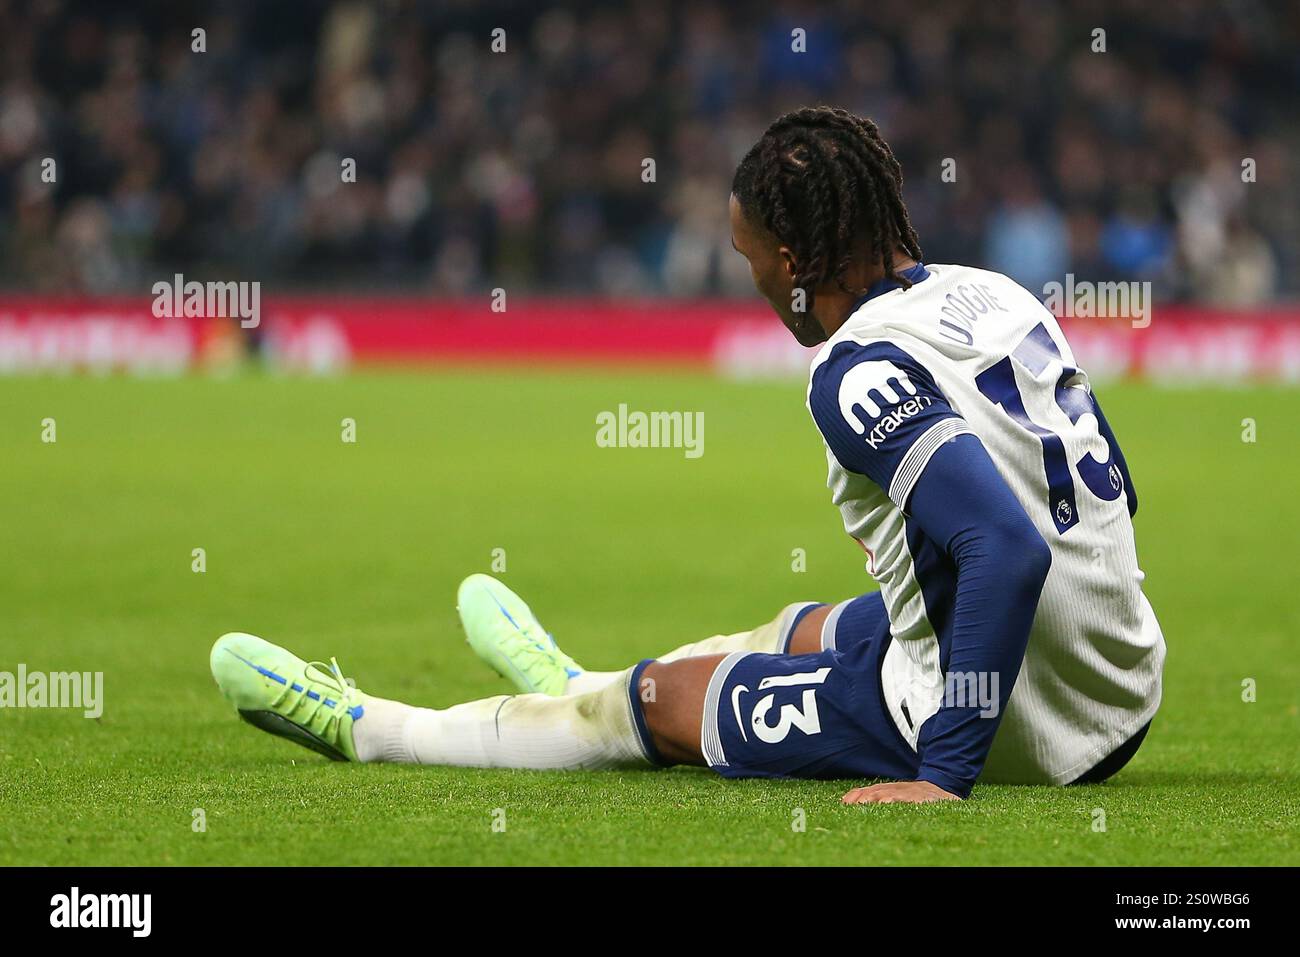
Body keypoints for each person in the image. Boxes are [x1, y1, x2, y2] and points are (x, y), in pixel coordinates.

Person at [210, 106, 1165, 804]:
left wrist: (946, 773)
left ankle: (378, 727)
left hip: (1029, 732)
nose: (747, 276)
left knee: (656, 704)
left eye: (748, 255)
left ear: (792, 259)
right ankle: (569, 677)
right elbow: (1093, 499)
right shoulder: (992, 293)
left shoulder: (857, 370)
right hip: (1117, 679)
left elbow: (1007, 547)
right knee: (804, 628)